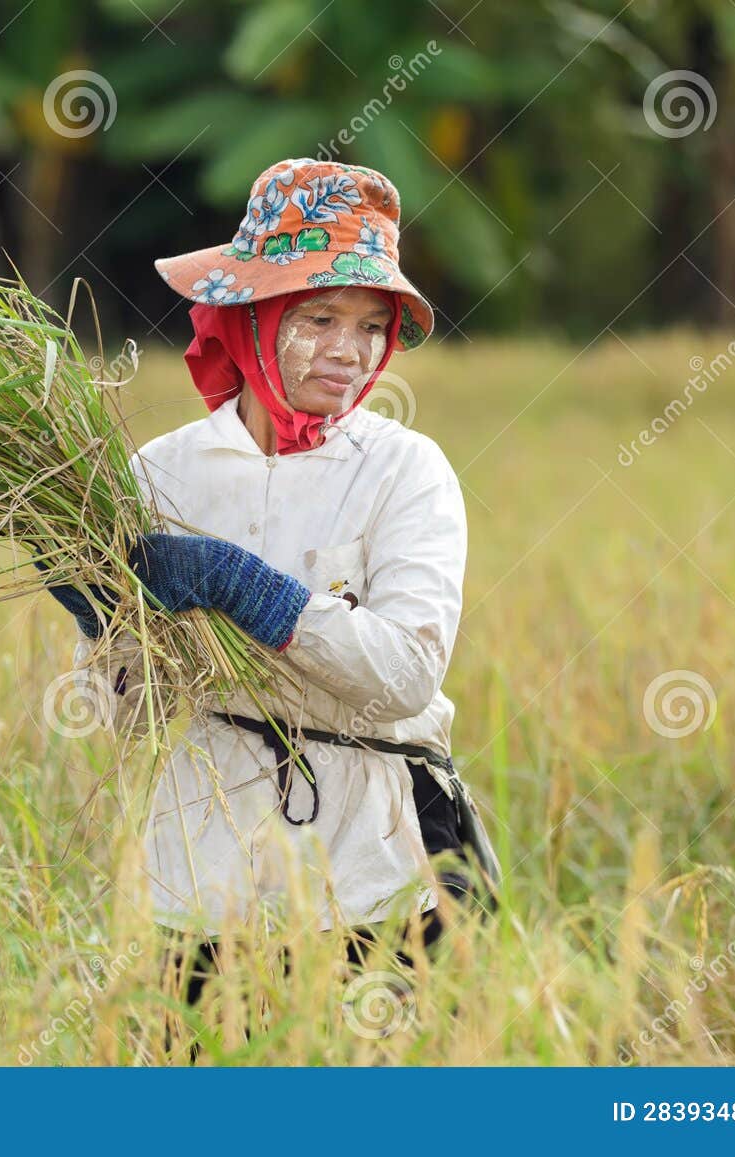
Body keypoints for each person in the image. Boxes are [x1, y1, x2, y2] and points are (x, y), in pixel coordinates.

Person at [45, 158, 495, 1026]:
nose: (348, 350)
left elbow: (405, 673)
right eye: (319, 317)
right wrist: (108, 626)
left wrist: (243, 587)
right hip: (203, 875)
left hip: (376, 867)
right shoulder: (160, 474)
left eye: (372, 326)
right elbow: (125, 720)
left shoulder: (405, 471)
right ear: (251, 320)